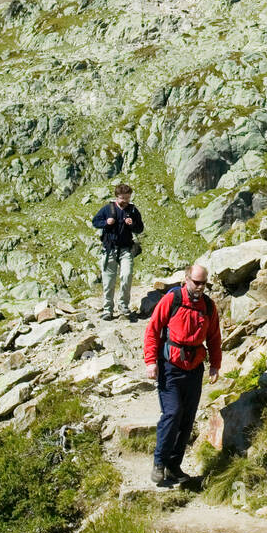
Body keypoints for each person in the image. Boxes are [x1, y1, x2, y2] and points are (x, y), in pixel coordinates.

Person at [144, 264, 221, 486]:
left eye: (203, 283)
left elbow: (214, 337)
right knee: (172, 413)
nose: (199, 287)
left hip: (194, 368)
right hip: (170, 366)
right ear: (186, 279)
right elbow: (153, 330)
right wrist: (151, 361)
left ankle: (174, 465)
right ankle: (159, 462)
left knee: (187, 419)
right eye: (196, 282)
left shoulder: (208, 306)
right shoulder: (172, 300)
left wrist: (215, 365)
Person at [91, 183, 144, 321]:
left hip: (126, 249)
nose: (125, 201)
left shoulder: (133, 210)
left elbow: (140, 229)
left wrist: (132, 224)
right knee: (108, 281)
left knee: (126, 275)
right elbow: (95, 221)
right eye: (122, 198)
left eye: (127, 198)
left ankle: (123, 305)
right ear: (116, 197)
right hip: (109, 249)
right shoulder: (108, 209)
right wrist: (106, 223)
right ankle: (108, 309)